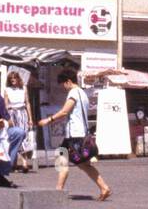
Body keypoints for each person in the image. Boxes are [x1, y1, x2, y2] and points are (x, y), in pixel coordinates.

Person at [38, 65, 112, 201]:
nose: (64, 88)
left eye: (63, 85)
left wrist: (48, 120)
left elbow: (65, 111)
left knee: (62, 159)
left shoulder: (73, 93)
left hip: (74, 135)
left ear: (68, 81)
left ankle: (58, 191)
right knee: (83, 164)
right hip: (81, 133)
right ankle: (103, 187)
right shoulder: (83, 94)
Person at [4, 71, 35, 173]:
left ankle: (24, 162)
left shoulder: (24, 88)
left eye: (14, 78)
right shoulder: (7, 90)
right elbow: (5, 105)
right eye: (11, 78)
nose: (13, 80)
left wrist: (30, 119)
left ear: (18, 79)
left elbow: (27, 103)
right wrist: (7, 119)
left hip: (22, 113)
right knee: (14, 137)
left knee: (24, 137)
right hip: (12, 113)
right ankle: (14, 162)